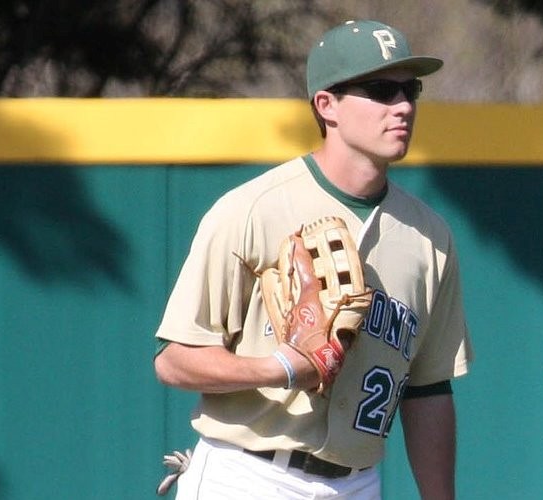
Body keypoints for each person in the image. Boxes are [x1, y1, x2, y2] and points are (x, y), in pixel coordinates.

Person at [153, 19, 473, 500]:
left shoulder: (430, 237)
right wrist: (281, 367)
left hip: (357, 483)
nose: (403, 106)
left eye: (411, 90)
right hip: (247, 475)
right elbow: (174, 360)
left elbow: (427, 390)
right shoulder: (253, 209)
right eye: (381, 90)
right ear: (327, 105)